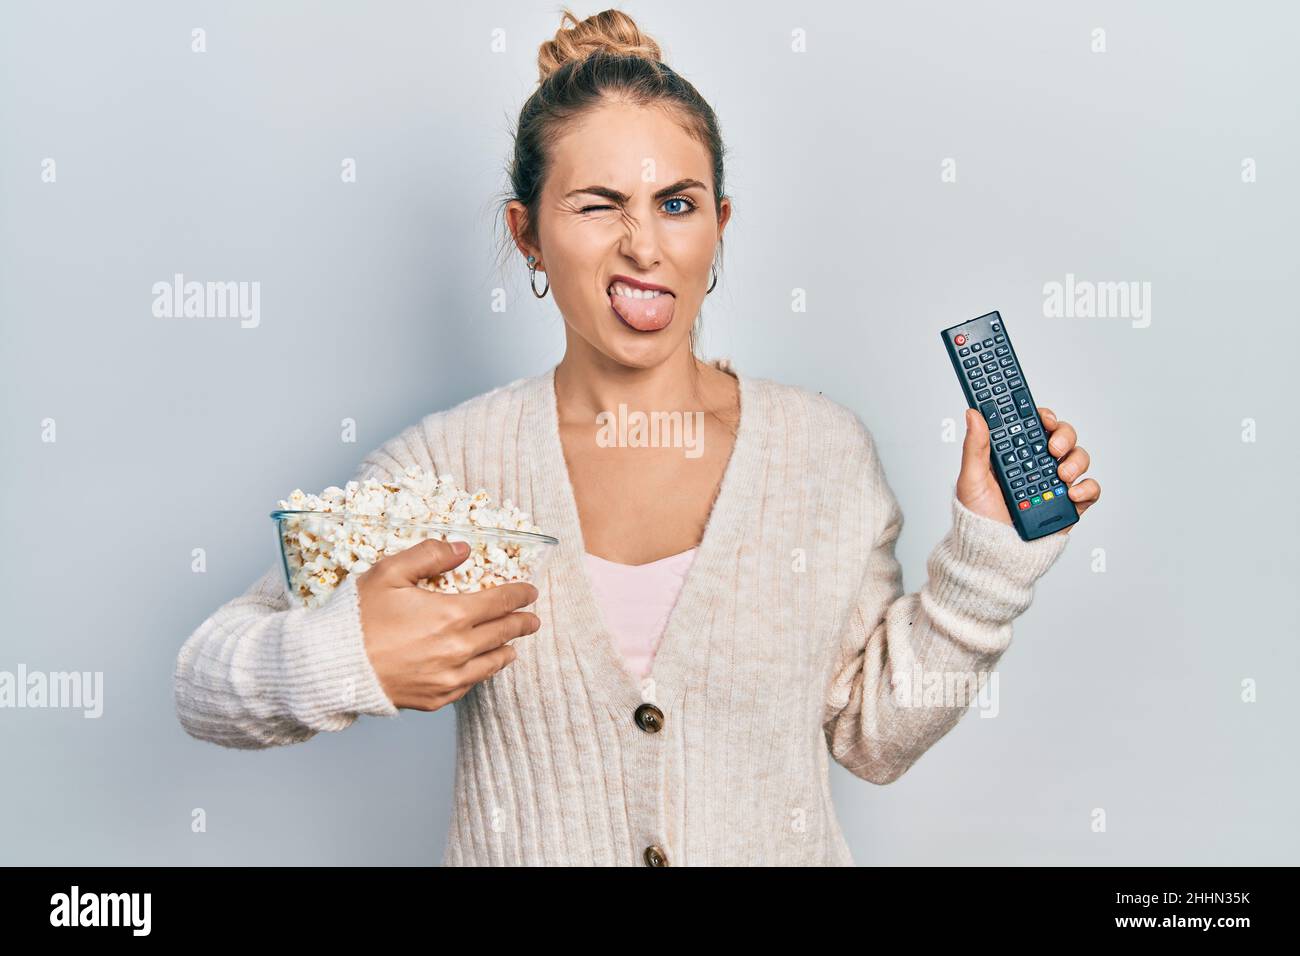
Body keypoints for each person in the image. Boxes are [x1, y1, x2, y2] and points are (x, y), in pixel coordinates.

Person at [173, 8, 1101, 866]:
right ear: (526, 233)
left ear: (719, 227)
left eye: (678, 204)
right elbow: (205, 684)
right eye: (596, 204)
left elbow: (875, 737)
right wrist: (347, 658)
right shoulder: (446, 466)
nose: (643, 245)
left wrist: (988, 561)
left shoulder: (822, 452)